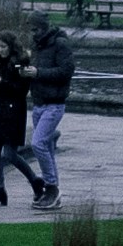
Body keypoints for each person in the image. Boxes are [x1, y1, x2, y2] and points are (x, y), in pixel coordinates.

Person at [26, 21, 76, 205]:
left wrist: (38, 73)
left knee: (37, 143)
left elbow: (66, 71)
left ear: (45, 28)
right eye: (31, 29)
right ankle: (52, 190)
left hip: (54, 104)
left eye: (36, 28)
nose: (33, 32)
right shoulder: (37, 46)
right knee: (45, 147)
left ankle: (52, 187)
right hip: (39, 103)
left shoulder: (60, 44)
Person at [0, 37, 35, 206]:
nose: (1, 50)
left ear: (11, 47)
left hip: (14, 113)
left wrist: (1, 82)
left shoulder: (20, 65)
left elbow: (20, 91)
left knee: (10, 153)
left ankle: (35, 182)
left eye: (4, 46)